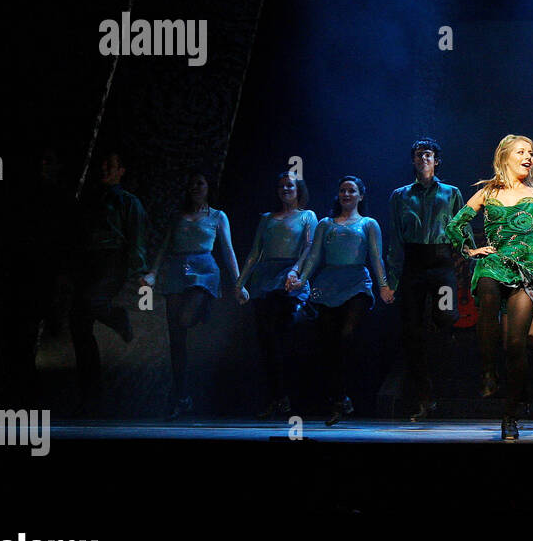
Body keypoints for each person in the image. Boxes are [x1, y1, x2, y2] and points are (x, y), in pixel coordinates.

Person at [444, 135, 533, 441]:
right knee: (488, 290)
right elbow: (455, 225)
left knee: (516, 345)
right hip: (494, 261)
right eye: (521, 152)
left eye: (531, 152)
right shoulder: (487, 193)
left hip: (529, 270)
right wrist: (470, 250)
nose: (528, 156)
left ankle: (510, 415)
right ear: (504, 157)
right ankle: (489, 370)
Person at [288, 176, 395, 426]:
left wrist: (383, 286)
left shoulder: (369, 224)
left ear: (361, 195)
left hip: (356, 282)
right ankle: (339, 398)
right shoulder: (325, 224)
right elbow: (314, 255)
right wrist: (302, 279)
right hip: (327, 284)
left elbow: (376, 257)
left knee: (346, 335)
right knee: (328, 343)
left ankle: (349, 391)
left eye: (351, 190)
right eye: (343, 190)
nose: (346, 194)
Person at [143, 169, 241, 420]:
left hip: (204, 271)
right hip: (177, 270)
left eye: (200, 183)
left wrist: (238, 282)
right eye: (192, 184)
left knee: (186, 318)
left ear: (209, 187)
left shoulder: (218, 216)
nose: (195, 188)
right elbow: (165, 246)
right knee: (177, 338)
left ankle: (206, 307)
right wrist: (153, 273)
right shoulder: (177, 217)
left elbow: (228, 249)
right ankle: (180, 395)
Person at [387, 138, 471, 421]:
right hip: (413, 262)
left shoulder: (451, 193)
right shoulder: (400, 195)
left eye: (429, 155)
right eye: (419, 155)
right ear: (413, 160)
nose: (424, 158)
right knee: (411, 331)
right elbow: (396, 238)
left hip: (441, 261)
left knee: (446, 315)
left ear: (437, 161)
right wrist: (391, 279)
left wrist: (471, 254)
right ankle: (425, 396)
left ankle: (447, 364)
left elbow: (461, 228)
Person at [69, 149, 148, 414]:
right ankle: (90, 394)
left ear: (121, 170)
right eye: (103, 164)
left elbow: (136, 239)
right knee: (78, 325)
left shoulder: (129, 202)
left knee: (92, 301)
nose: (105, 169)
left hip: (112, 262)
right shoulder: (89, 199)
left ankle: (117, 317)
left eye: (111, 165)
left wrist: (140, 271)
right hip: (87, 262)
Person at [235, 172, 317, 419]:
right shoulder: (267, 218)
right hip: (265, 279)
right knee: (267, 339)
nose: (285, 189)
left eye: (289, 185)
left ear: (298, 188)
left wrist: (294, 270)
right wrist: (240, 282)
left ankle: (295, 396)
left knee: (286, 335)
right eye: (281, 186)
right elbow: (254, 252)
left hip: (291, 277)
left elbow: (310, 248)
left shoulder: (307, 216)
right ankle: (277, 397)